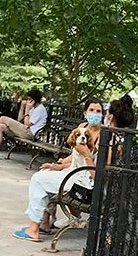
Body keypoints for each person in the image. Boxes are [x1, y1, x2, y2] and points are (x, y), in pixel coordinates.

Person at [15, 100, 103, 242]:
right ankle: (44, 222)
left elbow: (90, 162)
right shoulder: (82, 127)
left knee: (38, 179)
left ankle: (33, 229)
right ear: (85, 113)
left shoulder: (103, 135)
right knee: (44, 174)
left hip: (84, 179)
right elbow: (75, 153)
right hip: (72, 171)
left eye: (98, 111)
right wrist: (59, 165)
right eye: (91, 110)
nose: (95, 114)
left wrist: (86, 153)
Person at [0, 89, 48, 159]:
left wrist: (27, 109)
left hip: (30, 134)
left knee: (2, 118)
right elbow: (19, 120)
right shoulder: (33, 108)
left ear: (34, 100)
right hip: (25, 131)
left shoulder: (40, 110)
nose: (27, 101)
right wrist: (22, 107)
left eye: (29, 99)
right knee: (0, 126)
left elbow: (26, 124)